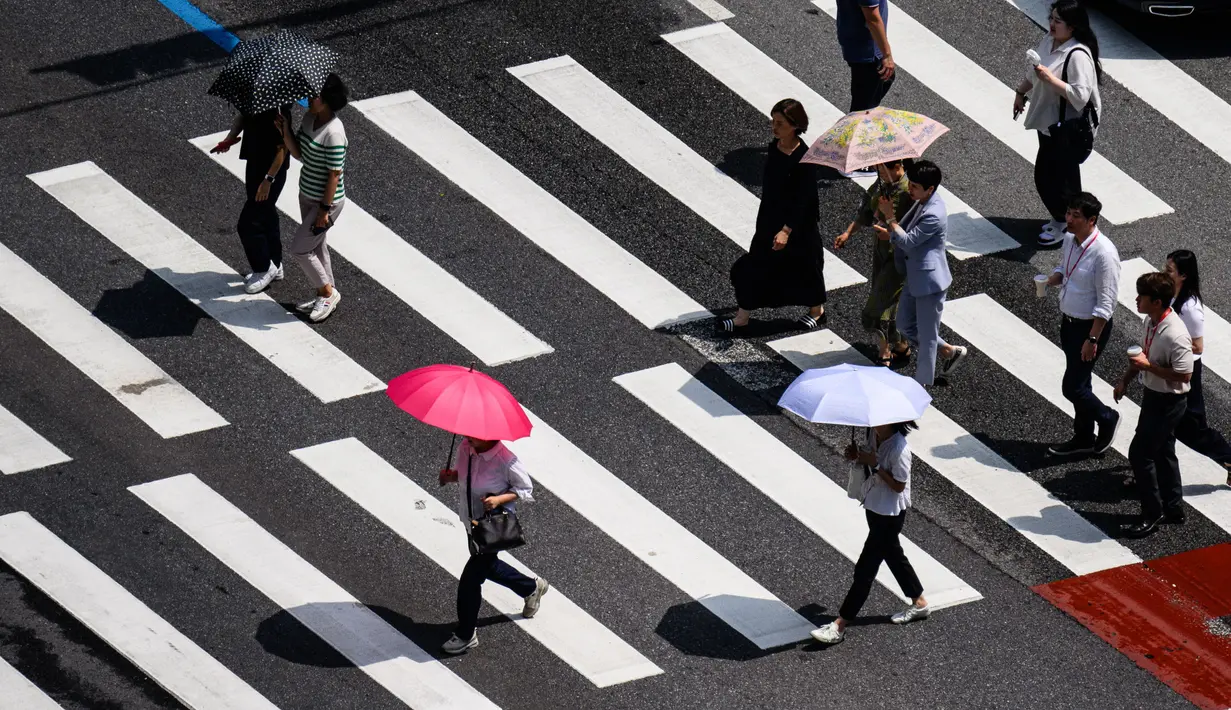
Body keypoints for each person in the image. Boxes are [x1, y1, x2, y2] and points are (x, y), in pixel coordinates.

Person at [811, 420, 930, 645]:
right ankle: (919, 601)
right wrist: (858, 456)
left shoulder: (900, 449)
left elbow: (899, 486)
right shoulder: (872, 434)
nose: (875, 421)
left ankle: (840, 625)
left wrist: (875, 465)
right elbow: (867, 462)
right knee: (893, 555)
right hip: (873, 505)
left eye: (882, 418)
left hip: (890, 515)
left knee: (865, 569)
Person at [719, 99, 827, 335]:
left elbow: (804, 200)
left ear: (794, 125)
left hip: (798, 226)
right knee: (757, 262)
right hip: (770, 218)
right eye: (773, 121)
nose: (773, 127)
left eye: (779, 123)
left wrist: (786, 231)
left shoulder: (805, 159)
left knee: (806, 266)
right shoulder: (774, 147)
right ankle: (742, 317)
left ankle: (817, 311)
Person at [438, 436, 549, 654]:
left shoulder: (505, 460)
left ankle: (466, 634)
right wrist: (452, 477)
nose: (469, 437)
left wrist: (499, 500)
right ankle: (531, 587)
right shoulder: (465, 448)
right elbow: (466, 476)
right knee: (488, 566)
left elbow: (525, 488)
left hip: (492, 525)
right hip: (471, 521)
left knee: (470, 580)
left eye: (475, 435)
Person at [1012, 0, 1103, 248]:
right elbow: (1035, 72)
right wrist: (1021, 92)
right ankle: (1068, 220)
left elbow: (1080, 96)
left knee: (1056, 179)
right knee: (1053, 177)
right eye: (1051, 18)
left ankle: (1070, 225)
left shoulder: (1077, 56)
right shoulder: (1048, 41)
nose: (1051, 24)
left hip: (1067, 129)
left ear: (1072, 27)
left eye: (1057, 21)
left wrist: (1050, 79)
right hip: (1049, 123)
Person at [871, 160, 968, 386]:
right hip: (915, 276)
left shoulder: (934, 213)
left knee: (927, 338)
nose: (909, 189)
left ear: (930, 189)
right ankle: (948, 350)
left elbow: (909, 241)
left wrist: (890, 218)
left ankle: (922, 385)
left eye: (914, 186)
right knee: (905, 325)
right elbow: (905, 232)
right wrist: (890, 228)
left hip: (929, 282)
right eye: (910, 184)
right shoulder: (922, 200)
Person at [1113, 272, 1194, 538]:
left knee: (1140, 454)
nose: (1136, 300)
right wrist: (1126, 379)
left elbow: (1184, 375)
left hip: (1169, 401)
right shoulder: (1151, 321)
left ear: (1157, 302)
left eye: (1142, 297)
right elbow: (1144, 357)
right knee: (1163, 450)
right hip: (1153, 396)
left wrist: (1150, 368)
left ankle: (1152, 512)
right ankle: (1173, 507)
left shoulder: (1176, 335)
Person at [1043, 192, 1121, 457]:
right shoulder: (1069, 240)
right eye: (1068, 213)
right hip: (1069, 322)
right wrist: (1053, 279)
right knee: (1081, 382)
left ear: (1092, 220)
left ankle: (1107, 417)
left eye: (1076, 216)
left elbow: (1106, 302)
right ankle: (1084, 435)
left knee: (1072, 387)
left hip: (1089, 329)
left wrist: (1093, 339)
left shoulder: (1104, 254)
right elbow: (1066, 269)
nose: (1069, 220)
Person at [276, 73, 349, 323]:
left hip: (325, 203)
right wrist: (285, 129)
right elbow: (300, 155)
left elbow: (334, 175)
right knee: (317, 245)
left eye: (314, 96)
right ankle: (327, 294)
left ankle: (327, 292)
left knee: (300, 249)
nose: (309, 99)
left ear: (328, 99)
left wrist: (324, 210)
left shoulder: (334, 133)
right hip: (306, 194)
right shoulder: (310, 118)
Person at [835, 160, 913, 365]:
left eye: (883, 170)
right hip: (880, 254)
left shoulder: (909, 193)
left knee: (880, 306)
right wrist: (847, 233)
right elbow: (865, 213)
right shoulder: (881, 186)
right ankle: (897, 346)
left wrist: (889, 232)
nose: (880, 174)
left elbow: (914, 233)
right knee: (884, 299)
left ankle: (887, 350)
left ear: (898, 168)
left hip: (899, 258)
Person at [210, 105, 293, 294]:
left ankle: (264, 267)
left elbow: (283, 148)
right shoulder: (257, 99)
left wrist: (268, 180)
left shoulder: (279, 111)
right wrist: (230, 139)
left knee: (248, 224)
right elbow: (242, 116)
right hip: (255, 163)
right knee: (266, 214)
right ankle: (276, 263)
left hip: (271, 173)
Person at [1165, 251, 1231, 487]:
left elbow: (1197, 345)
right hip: (1169, 369)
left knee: (1192, 429)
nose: (1164, 273)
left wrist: (1169, 349)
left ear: (1183, 275)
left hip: (1186, 371)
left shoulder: (1190, 307)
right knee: (1164, 424)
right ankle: (1153, 468)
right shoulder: (1171, 295)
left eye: (1169, 271)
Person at [835, 0, 896, 178]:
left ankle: (854, 142)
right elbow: (872, 18)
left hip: (856, 41)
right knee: (864, 104)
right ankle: (851, 162)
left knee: (880, 85)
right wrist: (886, 54)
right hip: (867, 50)